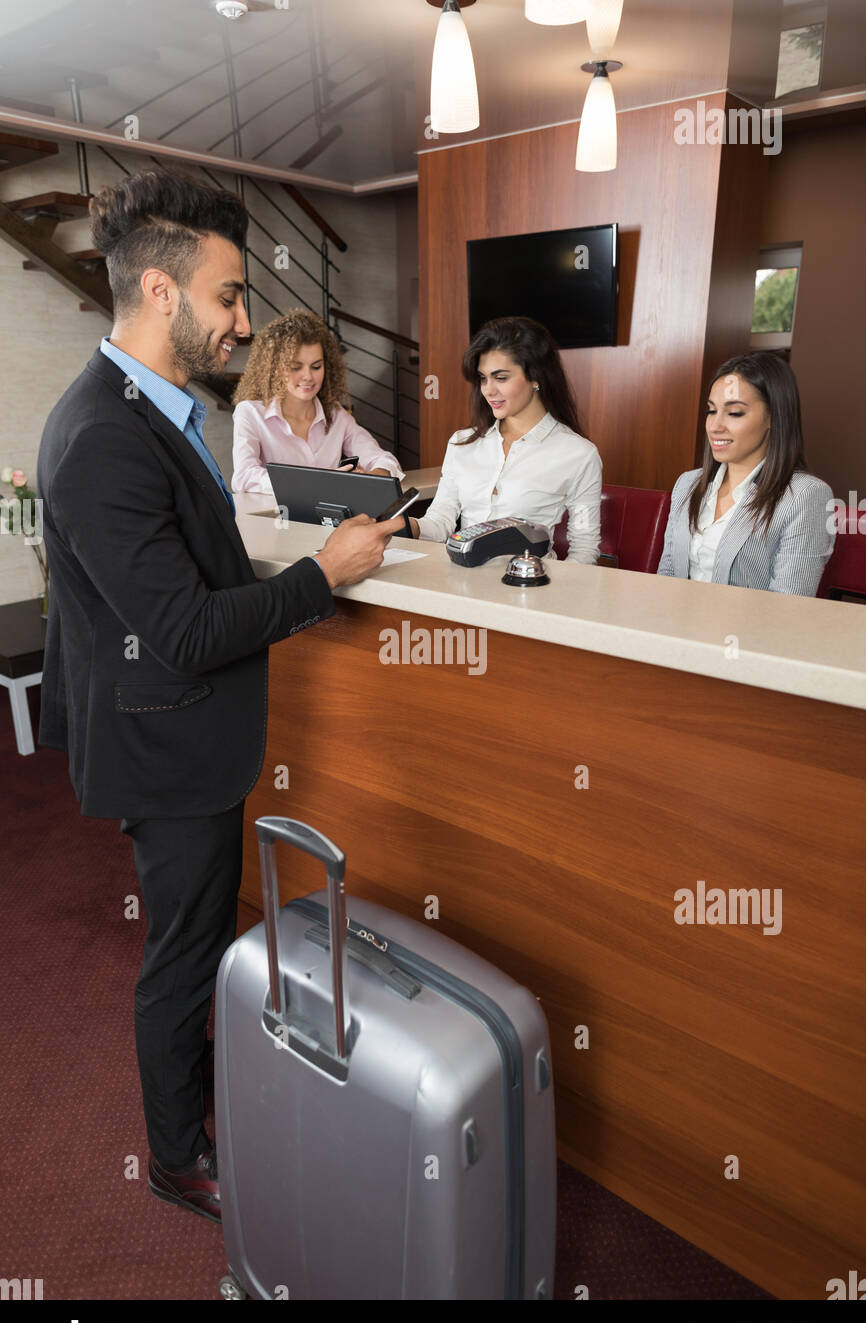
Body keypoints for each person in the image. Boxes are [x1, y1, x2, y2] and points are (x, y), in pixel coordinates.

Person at [36, 170, 403, 1225]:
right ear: (160, 292)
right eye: (230, 296)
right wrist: (321, 576)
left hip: (175, 731)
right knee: (184, 950)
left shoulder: (150, 407)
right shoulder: (103, 434)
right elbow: (187, 630)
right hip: (164, 742)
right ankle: (176, 1152)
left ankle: (194, 1106)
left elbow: (190, 579)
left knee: (191, 934)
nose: (245, 319)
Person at [409, 316, 601, 562]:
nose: (488, 390)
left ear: (536, 377)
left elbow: (584, 550)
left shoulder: (579, 454)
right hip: (460, 582)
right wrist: (399, 525)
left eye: (501, 378)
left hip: (530, 588)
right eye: (483, 378)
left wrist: (550, 593)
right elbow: (439, 522)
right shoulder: (462, 442)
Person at [657, 352, 834, 593]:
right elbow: (666, 576)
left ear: (773, 416)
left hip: (745, 631)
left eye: (734, 413)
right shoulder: (688, 484)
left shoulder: (806, 496)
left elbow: (789, 606)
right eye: (711, 411)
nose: (715, 426)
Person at [231, 310, 404, 492]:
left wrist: (372, 477)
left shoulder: (336, 416)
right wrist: (317, 481)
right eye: (296, 367)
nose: (308, 376)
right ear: (275, 368)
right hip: (276, 519)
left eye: (316, 366)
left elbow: (384, 460)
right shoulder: (250, 413)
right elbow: (244, 477)